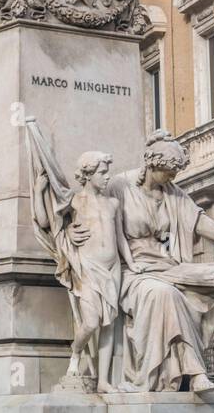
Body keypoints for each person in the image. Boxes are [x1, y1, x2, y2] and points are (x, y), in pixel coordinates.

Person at [108, 132, 214, 396]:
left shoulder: (172, 193)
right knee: (164, 294)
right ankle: (194, 372)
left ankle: (190, 370)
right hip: (134, 271)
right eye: (167, 173)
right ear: (151, 165)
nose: (172, 179)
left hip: (168, 267)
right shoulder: (120, 187)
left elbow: (196, 220)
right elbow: (97, 217)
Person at [30, 146, 139, 392]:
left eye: (108, 171)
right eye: (102, 172)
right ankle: (76, 354)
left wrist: (131, 264)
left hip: (112, 269)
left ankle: (103, 380)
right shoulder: (75, 201)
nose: (108, 177)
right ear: (88, 175)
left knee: (109, 323)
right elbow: (47, 222)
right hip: (88, 268)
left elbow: (121, 237)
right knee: (91, 323)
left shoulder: (113, 203)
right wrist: (39, 192)